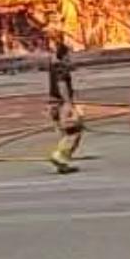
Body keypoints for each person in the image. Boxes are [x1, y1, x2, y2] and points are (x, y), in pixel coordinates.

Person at [46, 33, 83, 174]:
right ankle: (60, 156)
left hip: (52, 103)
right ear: (65, 55)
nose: (71, 58)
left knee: (65, 133)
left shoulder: (53, 67)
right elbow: (62, 84)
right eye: (69, 55)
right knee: (74, 132)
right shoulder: (62, 68)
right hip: (61, 103)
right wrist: (68, 104)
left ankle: (64, 163)